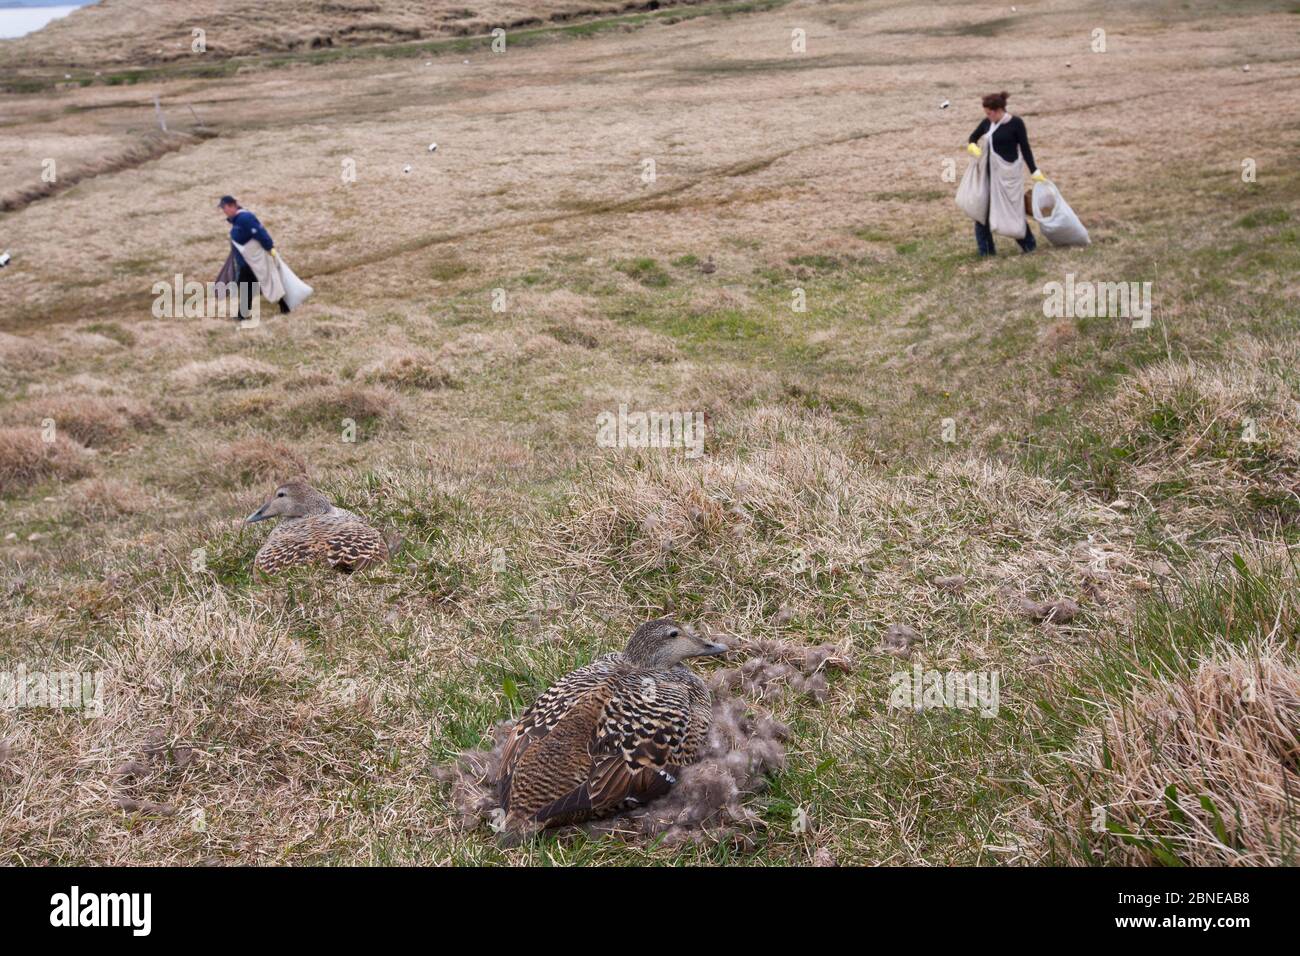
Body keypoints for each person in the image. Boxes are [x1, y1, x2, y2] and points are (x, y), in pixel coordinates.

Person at [966, 92, 1045, 256]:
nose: (987, 116)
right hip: (988, 176)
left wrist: (1034, 170)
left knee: (1012, 212)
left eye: (989, 113)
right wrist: (972, 145)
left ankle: (1029, 245)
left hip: (1007, 176)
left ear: (998, 110)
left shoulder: (1016, 123)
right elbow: (973, 137)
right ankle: (986, 252)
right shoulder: (987, 123)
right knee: (982, 212)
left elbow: (1025, 148)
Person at [218, 195, 290, 318]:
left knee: (254, 283)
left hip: (253, 260)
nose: (223, 211)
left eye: (224, 208)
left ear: (232, 205)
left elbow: (260, 233)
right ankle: (283, 306)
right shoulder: (238, 220)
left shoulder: (245, 218)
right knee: (255, 283)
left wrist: (269, 247)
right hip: (247, 260)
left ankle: (244, 314)